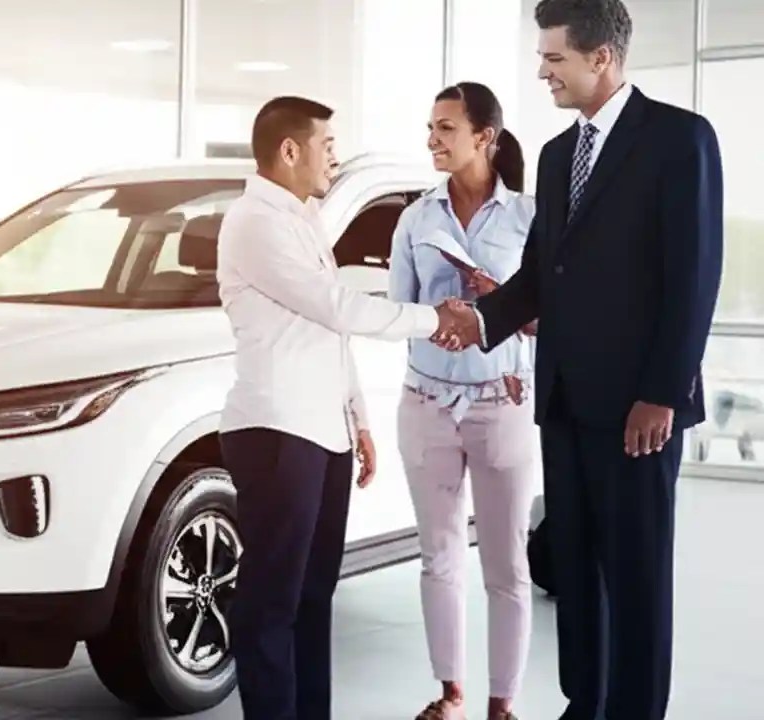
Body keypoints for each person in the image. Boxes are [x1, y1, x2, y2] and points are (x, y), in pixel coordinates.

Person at [437, 2, 724, 719]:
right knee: (575, 567)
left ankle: (632, 709)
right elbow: (541, 274)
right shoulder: (559, 154)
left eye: (554, 58)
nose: (542, 71)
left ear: (601, 58)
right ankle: (584, 701)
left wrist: (662, 390)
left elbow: (694, 275)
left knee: (635, 573)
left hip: (637, 408)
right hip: (563, 397)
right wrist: (481, 320)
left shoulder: (679, 139)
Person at [216, 95, 471, 720]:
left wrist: (356, 417)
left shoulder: (301, 218)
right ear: (290, 150)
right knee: (272, 603)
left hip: (319, 431)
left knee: (312, 597)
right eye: (327, 146)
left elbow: (327, 334)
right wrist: (432, 317)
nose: (334, 156)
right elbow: (337, 307)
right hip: (277, 430)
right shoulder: (255, 221)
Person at [388, 81, 537, 720]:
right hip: (426, 404)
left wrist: (498, 296)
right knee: (439, 557)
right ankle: (451, 693)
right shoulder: (416, 218)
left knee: (506, 565)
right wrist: (438, 313)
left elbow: (549, 319)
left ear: (486, 137)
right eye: (430, 128)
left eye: (445, 128)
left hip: (501, 403)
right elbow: (397, 311)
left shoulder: (531, 217)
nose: (432, 140)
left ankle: (502, 705)